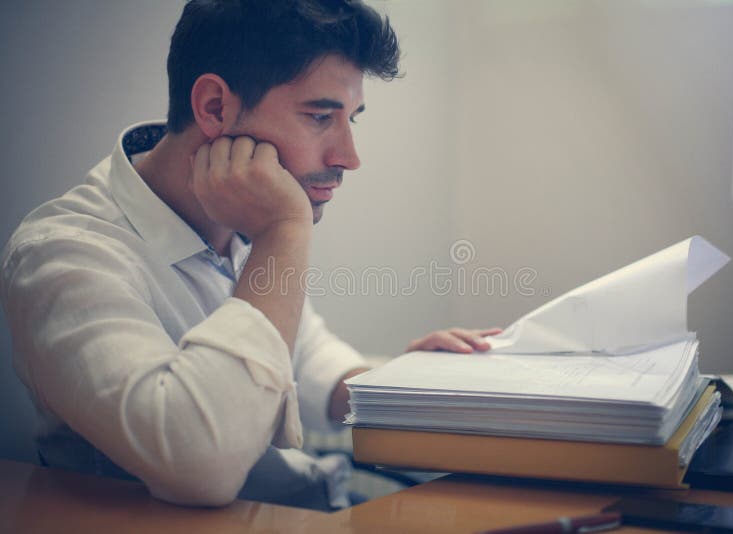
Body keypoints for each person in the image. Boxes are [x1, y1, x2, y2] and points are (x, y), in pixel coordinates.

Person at [0, 0, 500, 510]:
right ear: (215, 107)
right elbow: (200, 462)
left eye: (351, 119)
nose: (349, 156)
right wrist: (285, 231)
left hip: (310, 505)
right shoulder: (63, 255)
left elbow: (305, 358)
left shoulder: (238, 223)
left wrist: (407, 385)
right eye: (321, 117)